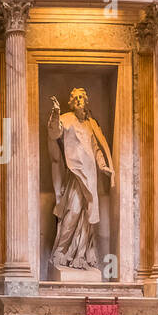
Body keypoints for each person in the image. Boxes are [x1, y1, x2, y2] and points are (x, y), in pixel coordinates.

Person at [47, 88, 113, 271]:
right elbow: (54, 133)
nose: (78, 100)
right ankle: (61, 251)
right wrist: (55, 113)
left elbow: (96, 148)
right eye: (75, 98)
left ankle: (79, 255)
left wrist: (102, 165)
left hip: (91, 176)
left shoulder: (91, 124)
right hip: (76, 174)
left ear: (86, 100)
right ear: (70, 102)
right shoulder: (66, 119)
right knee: (73, 211)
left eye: (81, 97)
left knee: (87, 216)